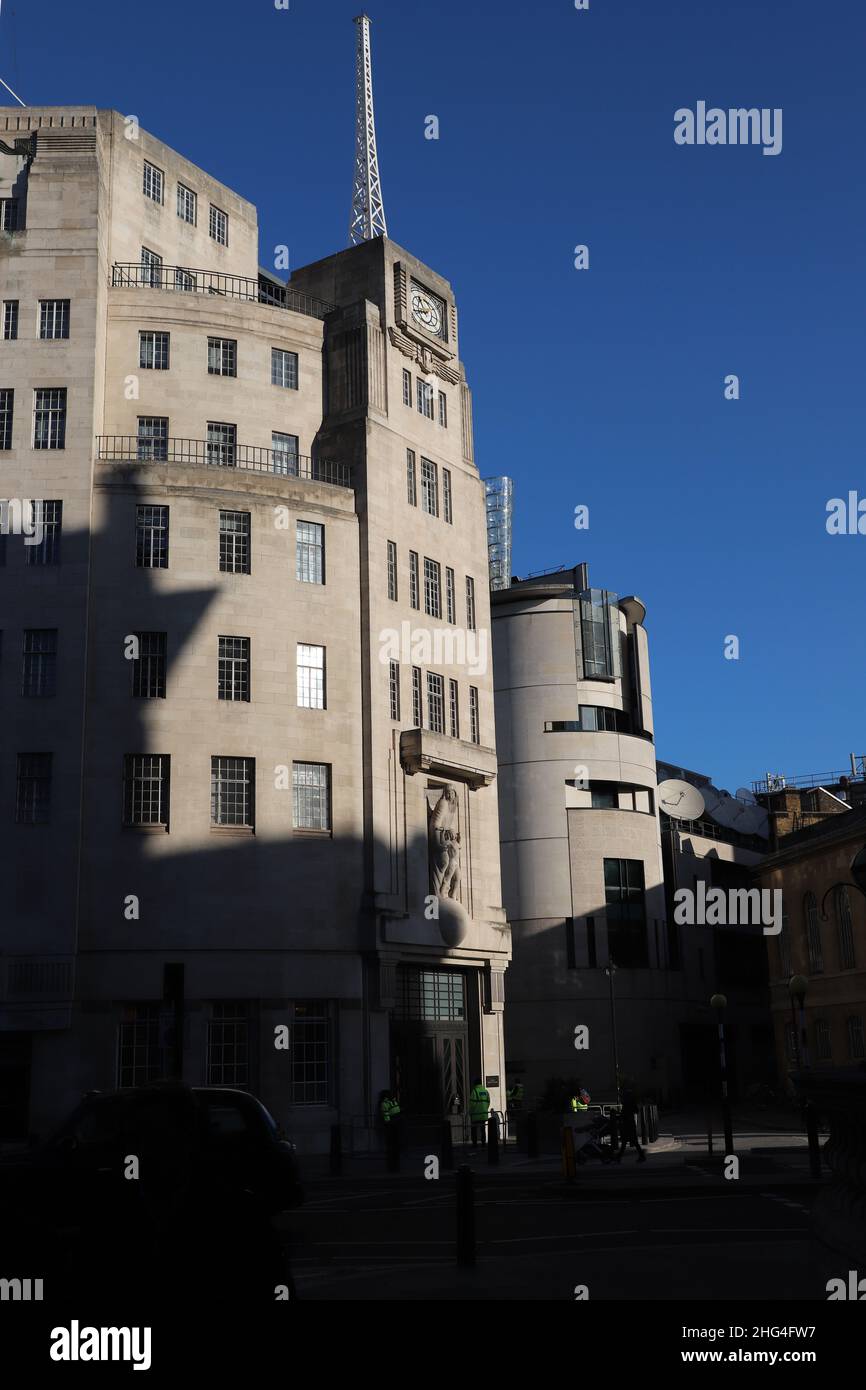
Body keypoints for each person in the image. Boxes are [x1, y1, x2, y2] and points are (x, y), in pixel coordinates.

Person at [616, 1083, 646, 1162]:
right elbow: (636, 1110)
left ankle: (619, 1157)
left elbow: (624, 1113)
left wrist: (620, 1117)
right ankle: (619, 1157)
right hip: (631, 1123)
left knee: (626, 1141)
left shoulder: (626, 1103)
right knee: (629, 1141)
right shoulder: (631, 1101)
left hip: (627, 1124)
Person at [469, 1078, 490, 1146]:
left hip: (476, 1114)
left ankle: (474, 1144)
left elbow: (472, 1104)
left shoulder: (474, 1091)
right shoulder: (485, 1091)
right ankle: (483, 1143)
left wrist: (470, 1112)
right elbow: (488, 1102)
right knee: (483, 1129)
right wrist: (484, 1108)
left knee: (474, 1129)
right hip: (483, 1114)